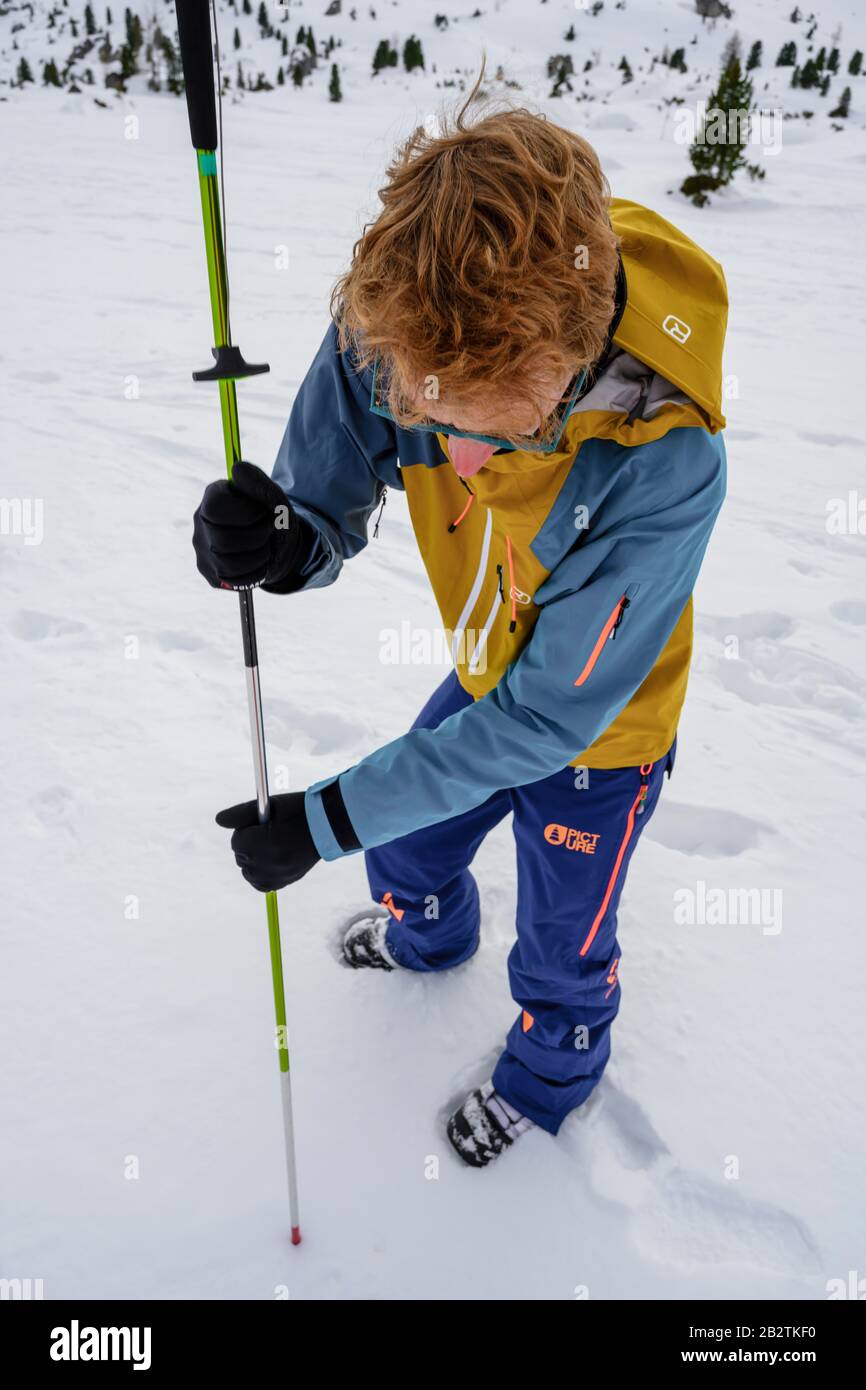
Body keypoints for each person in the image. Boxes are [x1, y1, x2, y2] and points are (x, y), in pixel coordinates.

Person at [192, 97, 727, 1167]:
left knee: (563, 944)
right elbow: (327, 497)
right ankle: (428, 938)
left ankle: (550, 1069)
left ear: (573, 360)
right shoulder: (403, 322)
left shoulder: (666, 461)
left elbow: (543, 723)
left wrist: (323, 816)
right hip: (490, 674)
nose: (460, 468)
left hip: (598, 738)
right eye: (436, 425)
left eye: (504, 428)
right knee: (404, 839)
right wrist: (282, 540)